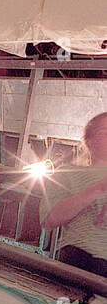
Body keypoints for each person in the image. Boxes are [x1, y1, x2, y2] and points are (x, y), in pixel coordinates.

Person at [39, 111, 107, 277]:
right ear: (89, 141)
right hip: (82, 255)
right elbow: (50, 218)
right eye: (105, 132)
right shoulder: (68, 173)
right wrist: (98, 189)